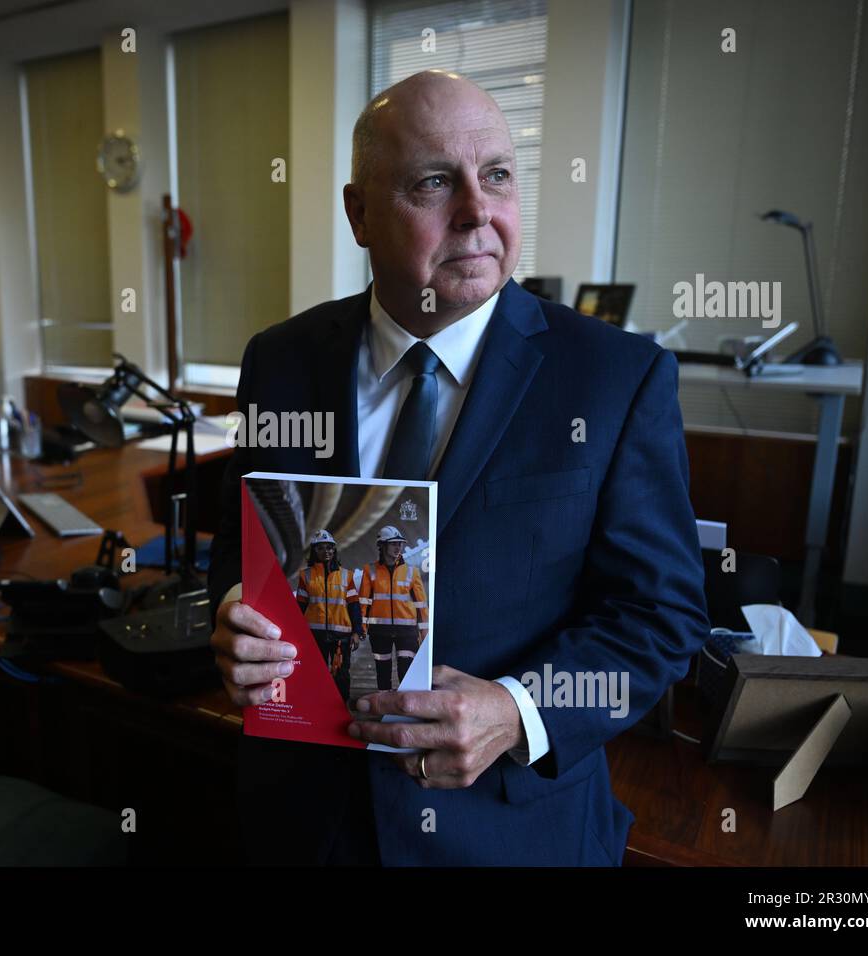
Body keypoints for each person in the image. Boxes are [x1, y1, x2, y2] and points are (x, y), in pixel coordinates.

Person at [208, 70, 709, 865]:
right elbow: (241, 545)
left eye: (499, 176)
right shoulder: (280, 361)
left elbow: (662, 618)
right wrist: (234, 612)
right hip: (305, 822)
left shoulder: (615, 378)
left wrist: (517, 710)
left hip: (508, 832)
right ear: (359, 213)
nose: (478, 212)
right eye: (435, 182)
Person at [295, 530, 362, 702]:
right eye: (321, 548)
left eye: (330, 548)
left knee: (341, 673)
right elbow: (300, 606)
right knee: (316, 673)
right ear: (314, 551)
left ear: (334, 550)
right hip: (314, 634)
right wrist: (294, 632)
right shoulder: (306, 575)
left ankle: (341, 706)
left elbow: (354, 605)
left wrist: (356, 631)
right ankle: (317, 705)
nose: (326, 551)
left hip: (341, 635)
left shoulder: (347, 575)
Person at [357, 526, 428, 691]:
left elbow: (421, 604)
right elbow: (364, 602)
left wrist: (424, 631)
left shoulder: (412, 571)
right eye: (394, 544)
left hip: (407, 631)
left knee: (406, 669)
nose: (398, 547)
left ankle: (405, 707)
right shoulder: (370, 570)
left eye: (400, 544)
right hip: (380, 631)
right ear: (382, 545)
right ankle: (383, 706)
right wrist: (362, 627)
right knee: (383, 671)